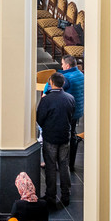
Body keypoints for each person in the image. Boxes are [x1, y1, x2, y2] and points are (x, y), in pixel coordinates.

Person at [35, 72, 77, 206]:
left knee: (51, 167)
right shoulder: (70, 98)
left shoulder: (46, 100)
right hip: (65, 136)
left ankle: (50, 196)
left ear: (51, 83)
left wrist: (47, 127)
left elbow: (39, 118)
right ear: (63, 83)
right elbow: (72, 115)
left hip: (50, 137)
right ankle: (66, 195)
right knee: (64, 166)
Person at [44, 56, 85, 168]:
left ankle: (57, 163)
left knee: (59, 137)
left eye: (62, 64)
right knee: (72, 134)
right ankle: (70, 164)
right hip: (77, 111)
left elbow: (50, 88)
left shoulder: (67, 78)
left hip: (66, 112)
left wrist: (45, 90)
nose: (61, 66)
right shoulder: (81, 75)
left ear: (67, 66)